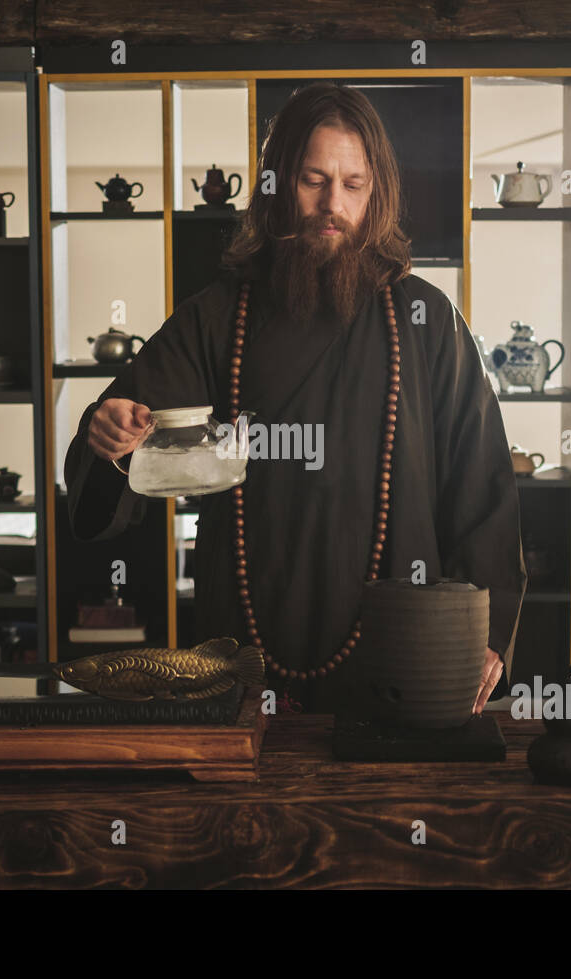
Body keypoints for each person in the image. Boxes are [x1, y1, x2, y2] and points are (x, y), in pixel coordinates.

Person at [65, 82, 526, 713]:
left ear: (376, 194)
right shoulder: (218, 317)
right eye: (314, 180)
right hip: (245, 648)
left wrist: (488, 635)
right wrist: (111, 435)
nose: (332, 204)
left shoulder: (425, 319)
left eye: (353, 184)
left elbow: (484, 487)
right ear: (278, 186)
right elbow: (132, 429)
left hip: (403, 646)